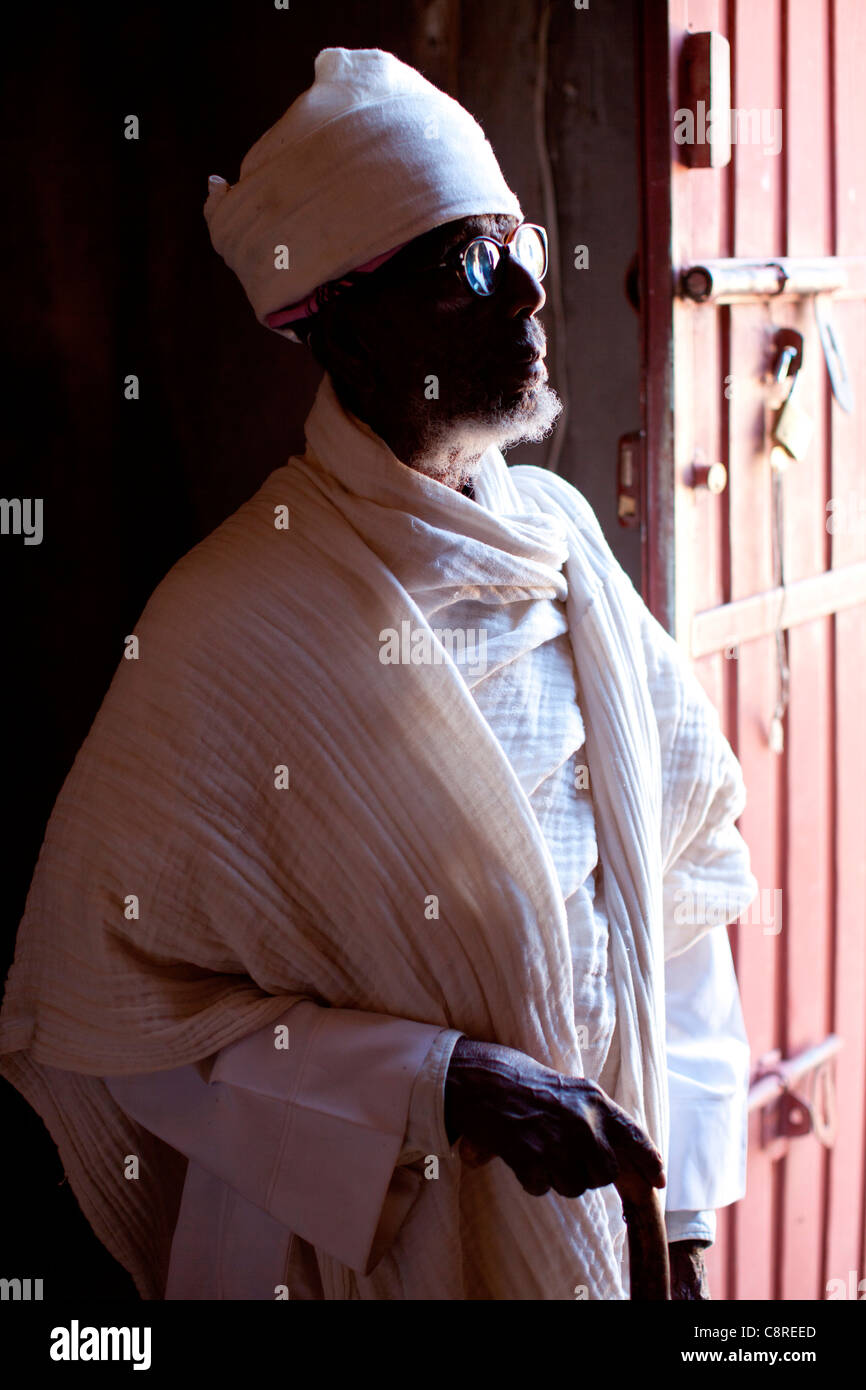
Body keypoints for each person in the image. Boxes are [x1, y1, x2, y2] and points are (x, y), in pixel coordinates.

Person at [0, 48, 756, 1301]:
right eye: (465, 265)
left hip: (604, 1242)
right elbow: (110, 1015)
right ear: (347, 330)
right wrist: (435, 1082)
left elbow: (674, 900)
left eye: (514, 240)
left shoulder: (562, 541)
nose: (525, 290)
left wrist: (677, 1221)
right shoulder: (227, 625)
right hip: (356, 1258)